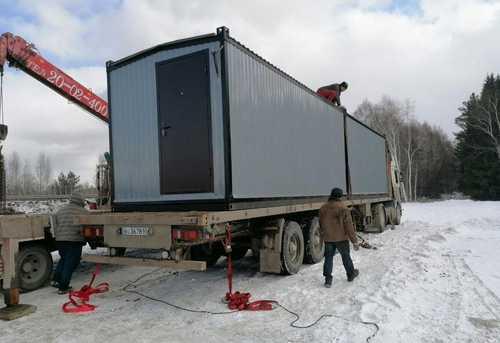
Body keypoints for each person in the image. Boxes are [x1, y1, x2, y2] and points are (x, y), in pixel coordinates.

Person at [319, 187, 359, 288]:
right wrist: (354, 241)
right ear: (340, 197)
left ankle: (328, 280)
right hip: (341, 238)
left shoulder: (323, 208)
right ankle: (350, 274)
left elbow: (321, 224)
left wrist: (322, 237)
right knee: (346, 257)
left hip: (328, 238)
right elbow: (349, 226)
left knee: (328, 258)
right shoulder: (343, 208)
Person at [52, 193, 87, 294]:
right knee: (70, 263)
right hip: (74, 240)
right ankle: (63, 287)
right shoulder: (83, 211)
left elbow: (56, 222)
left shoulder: (61, 210)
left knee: (64, 259)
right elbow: (89, 223)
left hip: (60, 240)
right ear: (80, 201)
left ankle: (56, 280)